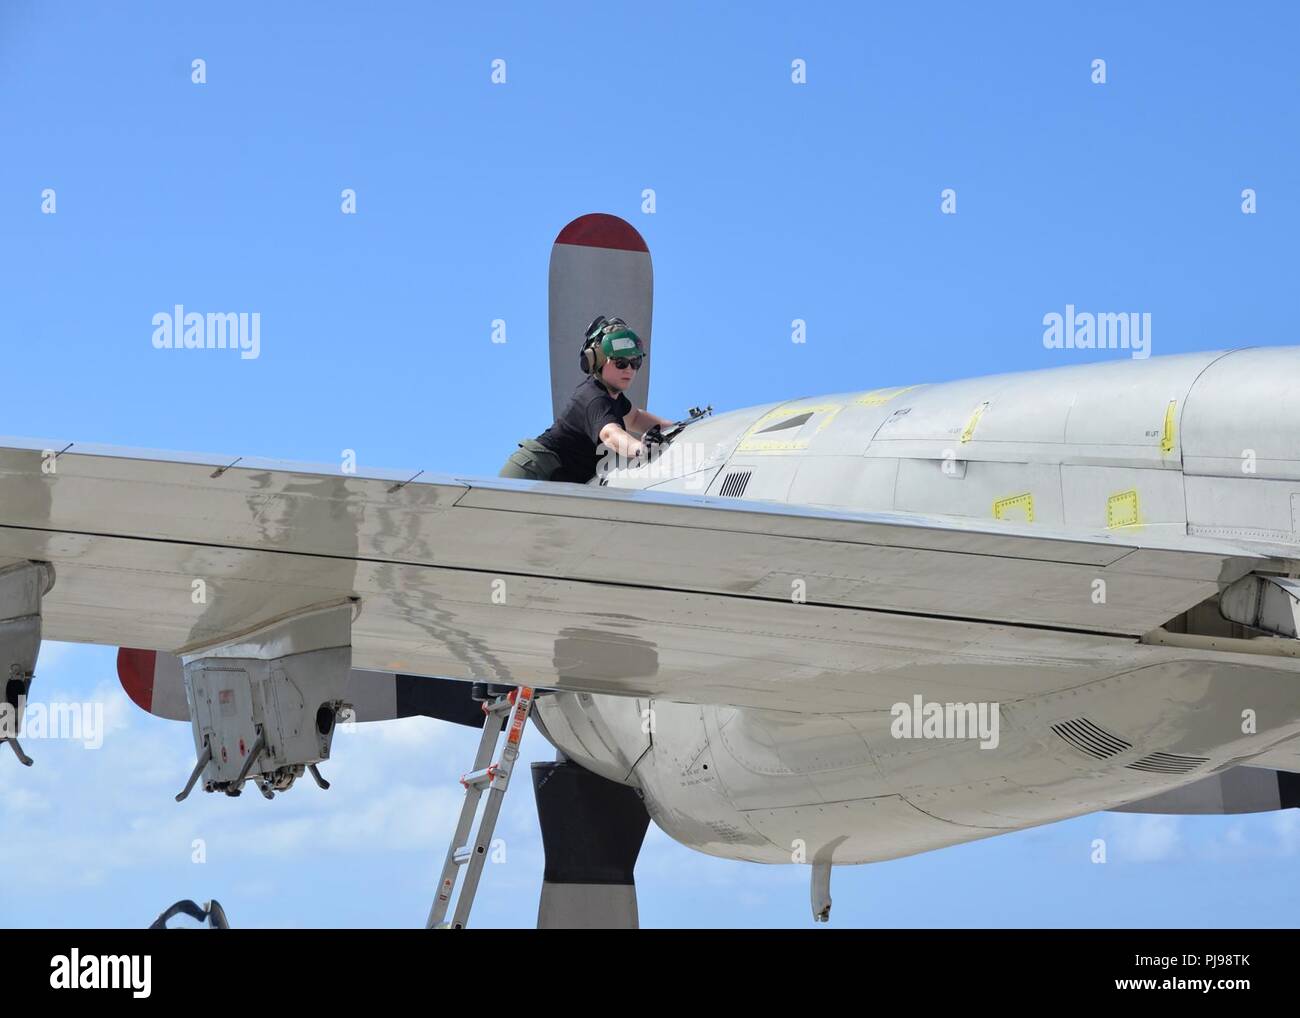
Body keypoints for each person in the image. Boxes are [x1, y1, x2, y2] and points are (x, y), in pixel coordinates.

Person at [500, 316, 672, 483]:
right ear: (597, 361)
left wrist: (679, 428)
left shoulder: (615, 398)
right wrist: (639, 449)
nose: (629, 370)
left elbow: (635, 417)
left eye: (635, 362)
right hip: (533, 473)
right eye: (620, 362)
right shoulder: (594, 398)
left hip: (554, 480)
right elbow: (610, 434)